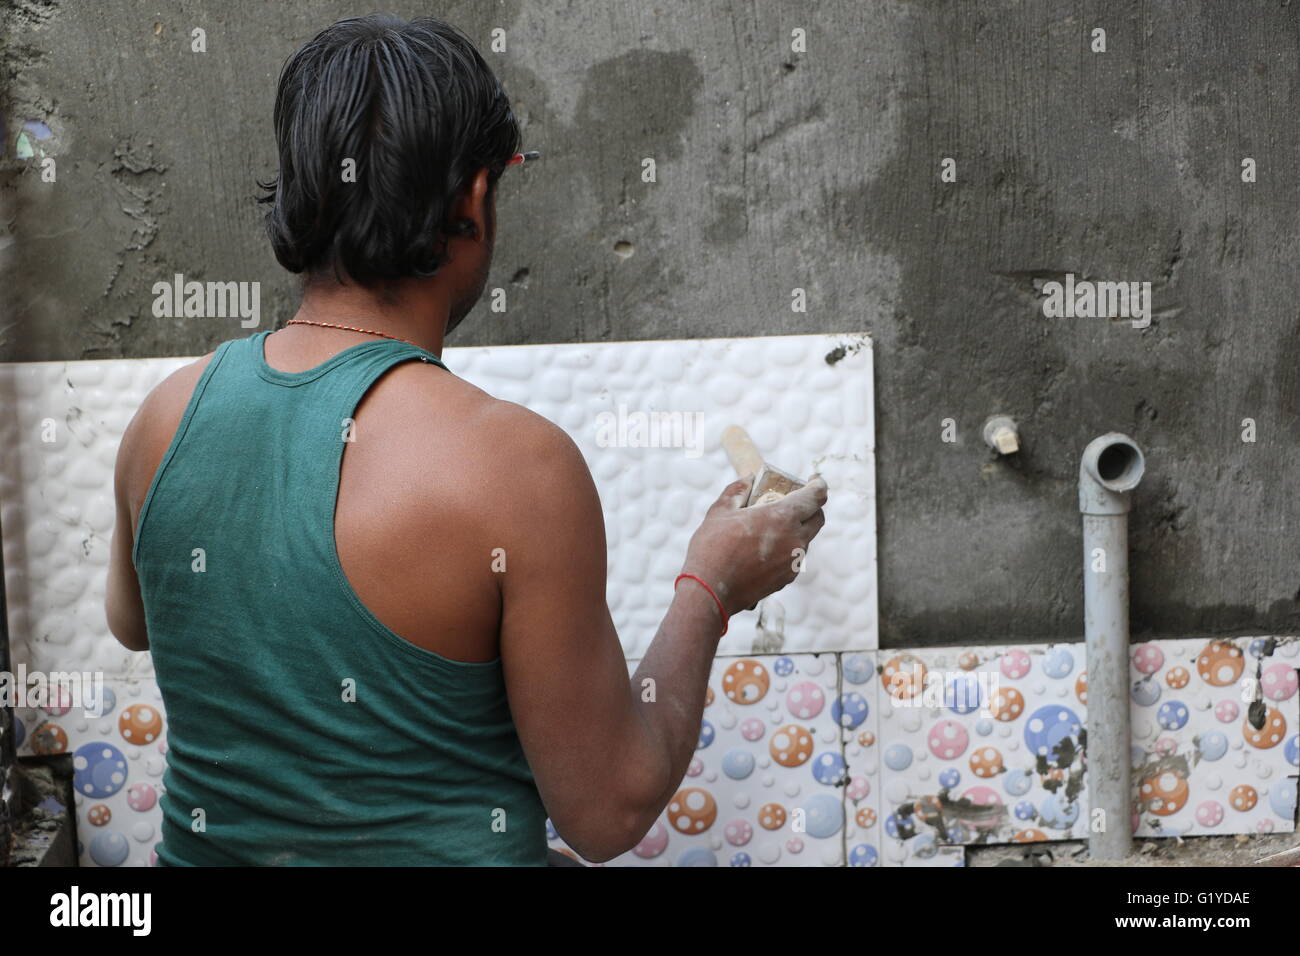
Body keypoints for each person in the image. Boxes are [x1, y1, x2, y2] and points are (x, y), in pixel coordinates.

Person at [105, 13, 828, 866]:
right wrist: (711, 587)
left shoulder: (165, 417)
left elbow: (135, 622)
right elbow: (608, 811)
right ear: (474, 198)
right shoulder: (515, 467)